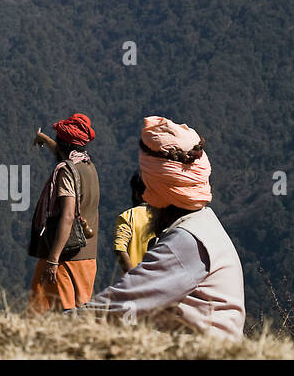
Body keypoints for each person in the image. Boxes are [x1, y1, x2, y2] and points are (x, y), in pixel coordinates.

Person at [74, 116, 245, 340]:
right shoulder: (204, 222)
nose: (145, 196)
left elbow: (123, 303)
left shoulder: (185, 242)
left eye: (148, 187)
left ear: (157, 190)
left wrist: (62, 321)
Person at [27, 113, 100, 311]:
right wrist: (44, 139)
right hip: (88, 255)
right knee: (81, 309)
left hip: (65, 256)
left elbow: (67, 216)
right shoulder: (88, 167)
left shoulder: (66, 172)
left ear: (63, 144)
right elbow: (62, 153)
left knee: (53, 310)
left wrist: (53, 259)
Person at [113, 172, 156, 273]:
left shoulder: (127, 217)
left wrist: (132, 276)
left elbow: (120, 249)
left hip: (134, 284)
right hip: (160, 281)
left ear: (136, 194)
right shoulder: (163, 216)